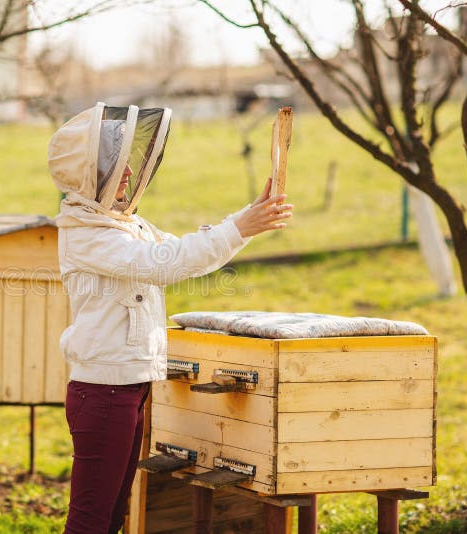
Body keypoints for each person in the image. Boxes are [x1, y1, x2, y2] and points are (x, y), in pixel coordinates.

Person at [47, 103, 293, 534]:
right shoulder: (87, 234)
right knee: (90, 519)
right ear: (90, 173)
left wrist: (243, 219)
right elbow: (166, 263)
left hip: (127, 387)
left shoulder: (120, 224)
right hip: (103, 392)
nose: (126, 174)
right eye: (115, 165)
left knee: (112, 514)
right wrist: (243, 228)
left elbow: (188, 250)